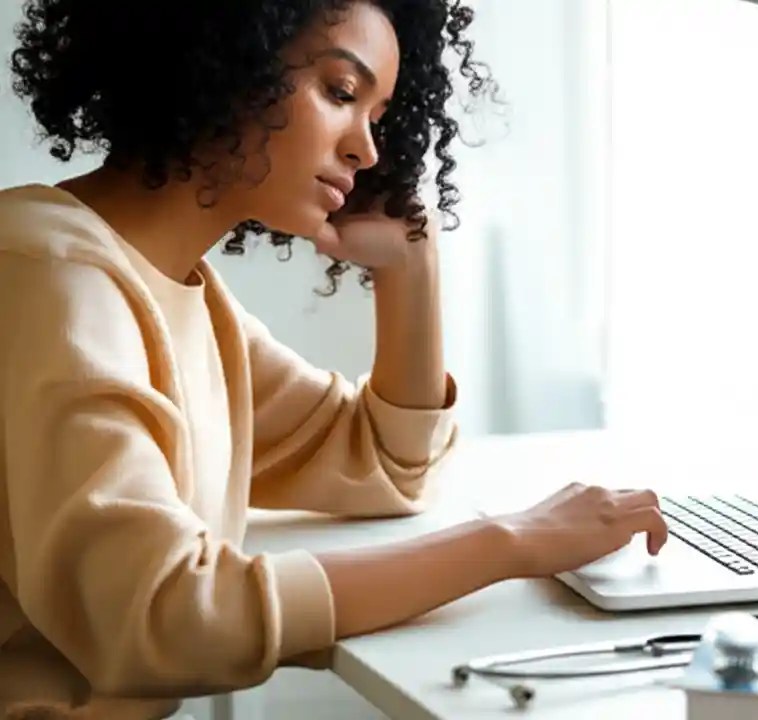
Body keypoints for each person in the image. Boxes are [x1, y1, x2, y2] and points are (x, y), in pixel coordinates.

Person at [0, 1, 668, 717]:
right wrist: (509, 544)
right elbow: (161, 616)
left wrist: (412, 270)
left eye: (377, 117)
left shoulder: (178, 293)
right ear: (225, 61)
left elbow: (384, 463)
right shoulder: (51, 280)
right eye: (341, 93)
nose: (368, 151)